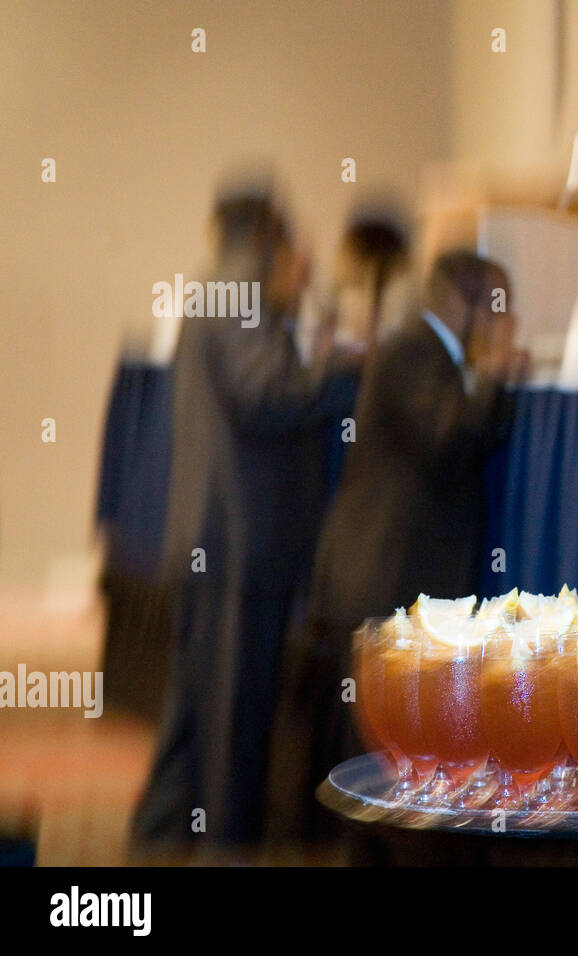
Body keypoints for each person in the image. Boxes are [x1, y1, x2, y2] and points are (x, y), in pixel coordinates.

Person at [272, 250, 525, 843]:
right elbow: (448, 437)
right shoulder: (415, 349)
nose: (507, 320)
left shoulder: (424, 349)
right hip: (384, 569)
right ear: (468, 303)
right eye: (500, 305)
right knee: (374, 751)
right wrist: (492, 372)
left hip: (383, 568)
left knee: (375, 748)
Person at [131, 182, 335, 854]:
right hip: (241, 545)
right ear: (274, 233)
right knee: (234, 717)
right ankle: (227, 846)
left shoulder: (215, 288)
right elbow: (268, 397)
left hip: (210, 541)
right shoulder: (244, 292)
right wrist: (332, 367)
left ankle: (160, 832)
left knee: (196, 706)